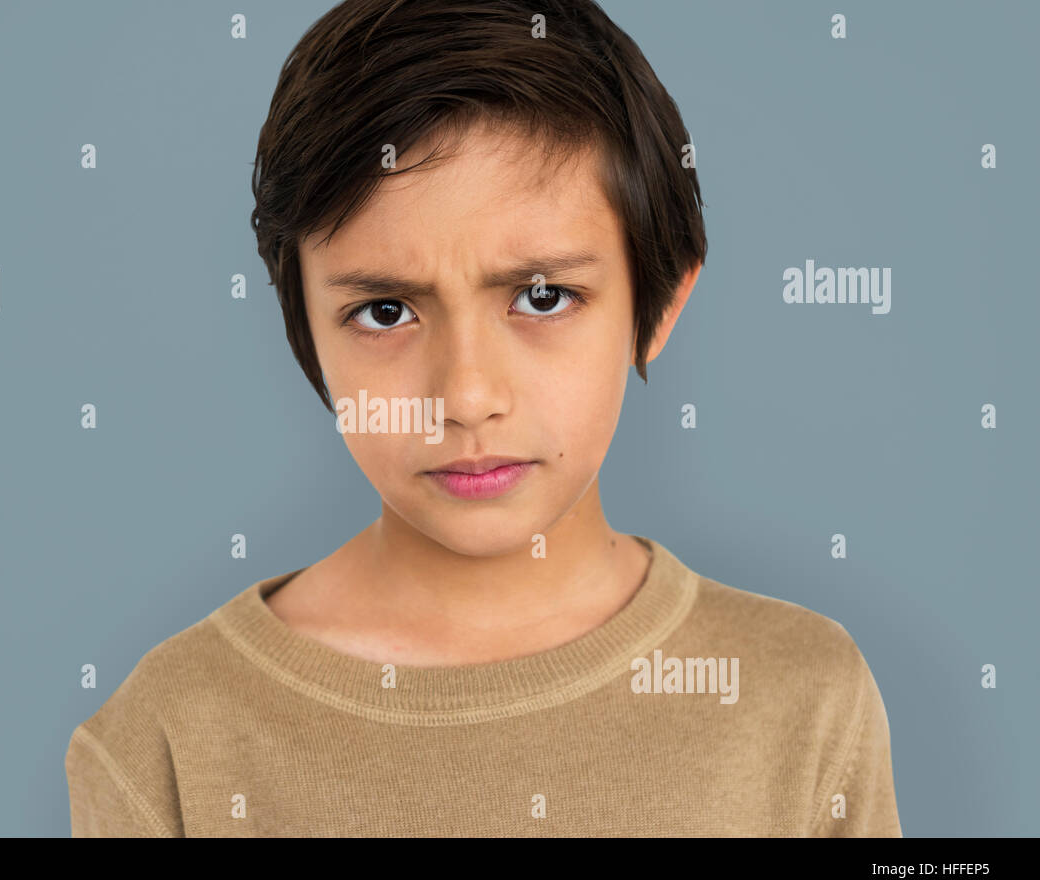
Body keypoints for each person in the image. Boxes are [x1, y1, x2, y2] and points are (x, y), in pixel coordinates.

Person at [65, 0, 899, 837]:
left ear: (659, 303)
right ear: (305, 329)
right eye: (386, 311)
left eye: (542, 297)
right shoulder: (168, 741)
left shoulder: (803, 695)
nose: (464, 397)